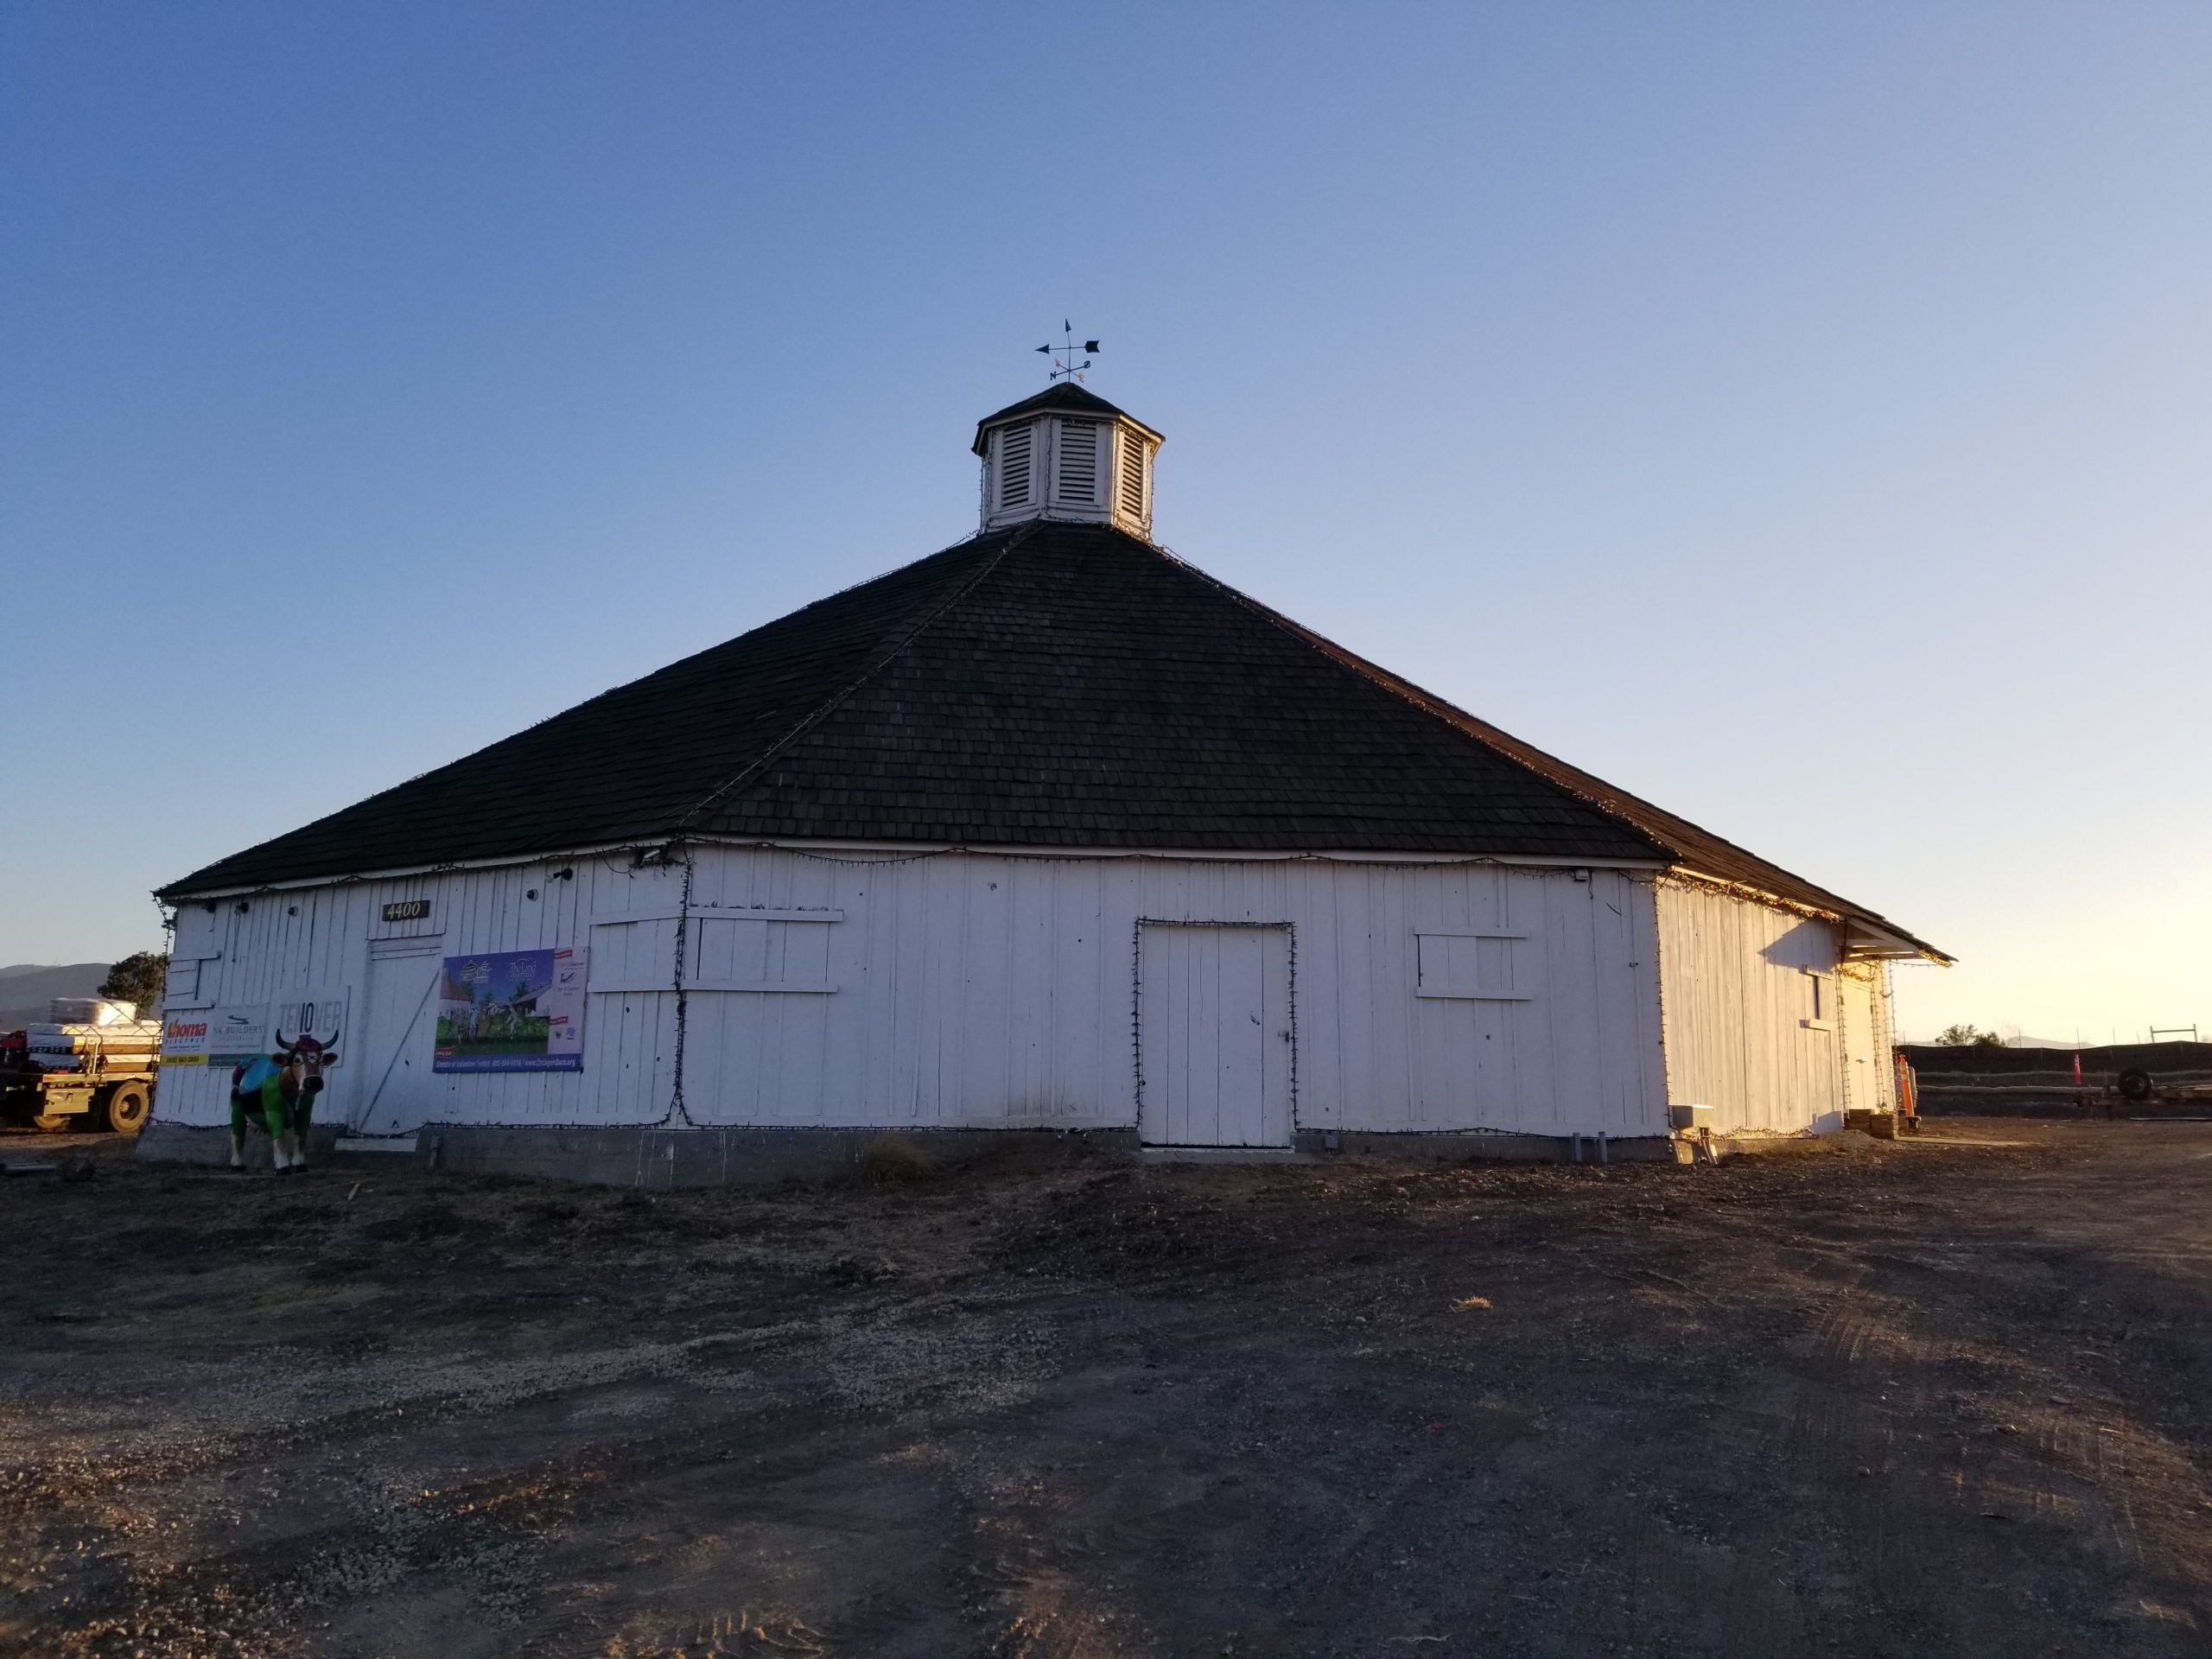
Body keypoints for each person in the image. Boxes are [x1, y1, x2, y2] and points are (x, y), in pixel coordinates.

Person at [227, 1051, 302, 1172]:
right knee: (238, 1108)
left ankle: (299, 1159)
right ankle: (237, 1158)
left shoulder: (307, 1087)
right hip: (250, 1093)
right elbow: (274, 1116)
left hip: (298, 1089)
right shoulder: (270, 1078)